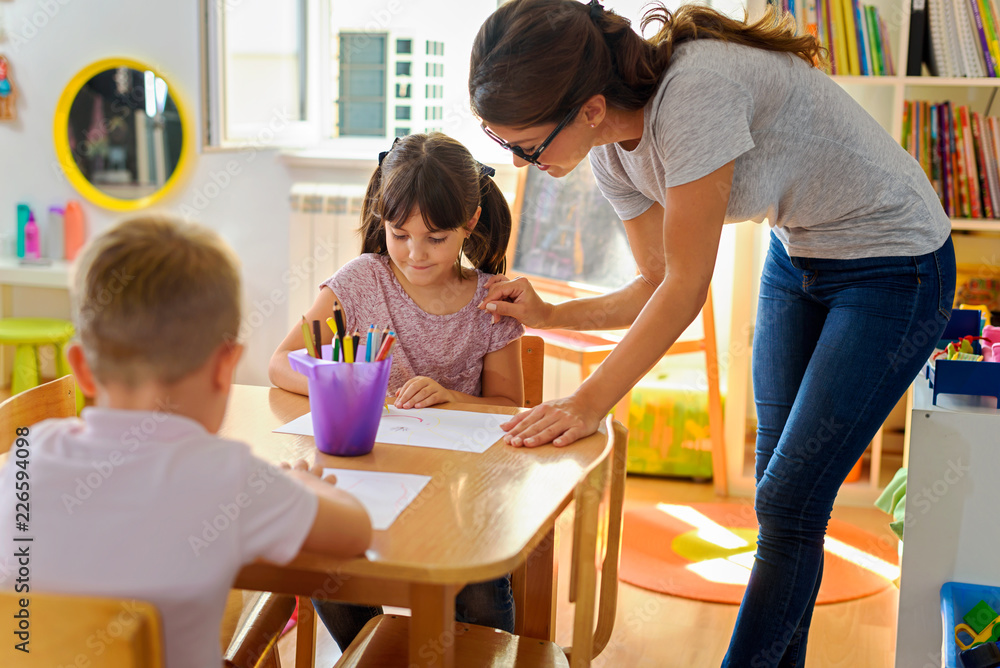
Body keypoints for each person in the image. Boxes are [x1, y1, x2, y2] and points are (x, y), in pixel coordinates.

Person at [468, 1, 955, 665]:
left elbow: (685, 292)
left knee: (789, 503)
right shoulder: (612, 154)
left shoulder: (694, 93)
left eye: (524, 145)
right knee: (783, 503)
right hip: (800, 255)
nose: (520, 165)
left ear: (587, 108)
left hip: (897, 264)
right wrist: (551, 316)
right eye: (505, 147)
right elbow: (654, 284)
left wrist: (586, 402)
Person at [0, 216, 373, 668]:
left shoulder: (21, 460)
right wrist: (308, 485)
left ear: (80, 369)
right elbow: (355, 533)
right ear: (225, 366)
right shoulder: (228, 476)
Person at [268, 132, 524, 649]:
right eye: (400, 234)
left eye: (435, 238)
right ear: (382, 221)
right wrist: (334, 378)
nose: (415, 254)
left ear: (469, 223)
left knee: (477, 592)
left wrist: (455, 399)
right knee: (324, 555)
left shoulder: (489, 300)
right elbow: (280, 363)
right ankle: (372, 652)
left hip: (460, 490)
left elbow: (508, 406)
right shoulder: (361, 280)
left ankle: (473, 656)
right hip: (371, 474)